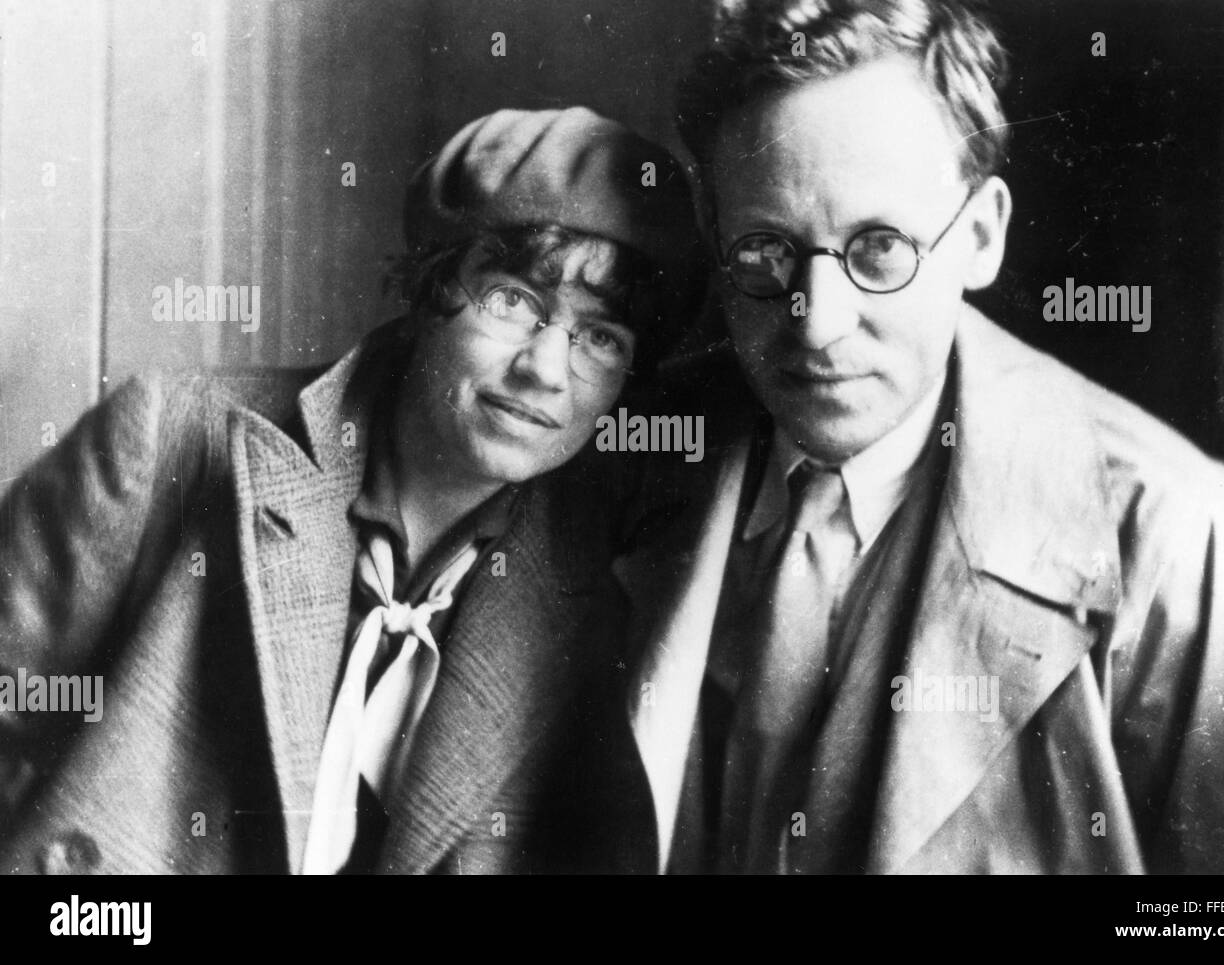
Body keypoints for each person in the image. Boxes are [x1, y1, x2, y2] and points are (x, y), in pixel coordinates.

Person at [608, 0, 1224, 873]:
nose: (816, 323)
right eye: (765, 253)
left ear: (980, 235)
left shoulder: (1167, 524)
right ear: (715, 238)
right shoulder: (630, 458)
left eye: (880, 248)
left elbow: (1223, 921)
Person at [0, 106, 702, 874]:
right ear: (428, 288)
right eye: (510, 300)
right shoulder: (167, 439)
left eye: (600, 337)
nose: (547, 369)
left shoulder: (583, 579)